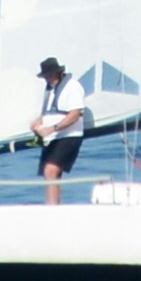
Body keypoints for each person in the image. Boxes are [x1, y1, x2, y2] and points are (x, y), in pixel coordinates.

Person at [29, 56, 89, 202]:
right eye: (45, 76)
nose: (47, 79)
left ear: (58, 73)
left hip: (69, 136)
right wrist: (38, 122)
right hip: (53, 138)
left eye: (49, 75)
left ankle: (52, 209)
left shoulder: (73, 86)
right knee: (49, 173)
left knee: (50, 170)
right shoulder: (50, 89)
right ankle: (54, 206)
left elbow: (75, 114)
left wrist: (52, 129)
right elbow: (50, 112)